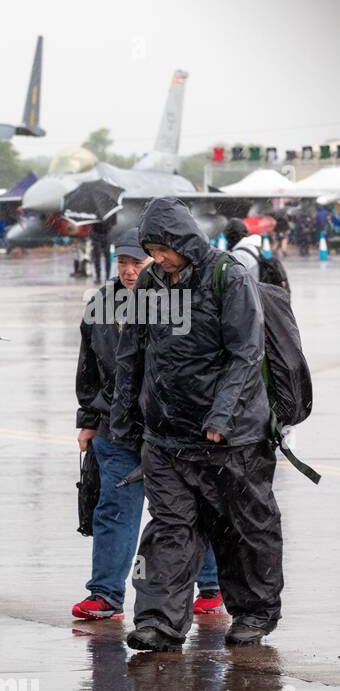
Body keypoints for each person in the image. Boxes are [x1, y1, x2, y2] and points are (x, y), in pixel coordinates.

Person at [112, 197, 282, 651]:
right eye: (152, 249)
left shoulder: (229, 277)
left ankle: (253, 613)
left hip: (231, 437)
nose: (158, 258)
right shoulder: (150, 281)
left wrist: (221, 416)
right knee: (170, 528)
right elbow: (133, 352)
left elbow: (247, 353)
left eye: (163, 248)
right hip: (167, 437)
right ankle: (159, 623)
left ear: (183, 240)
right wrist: (124, 417)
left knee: (243, 528)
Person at [71, 228, 221, 620]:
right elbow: (90, 365)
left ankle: (210, 586)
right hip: (114, 429)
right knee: (114, 509)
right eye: (122, 262)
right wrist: (87, 419)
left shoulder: (176, 300)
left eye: (136, 261)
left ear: (156, 259)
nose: (128, 270)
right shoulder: (102, 303)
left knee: (186, 510)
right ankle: (105, 595)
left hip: (171, 428)